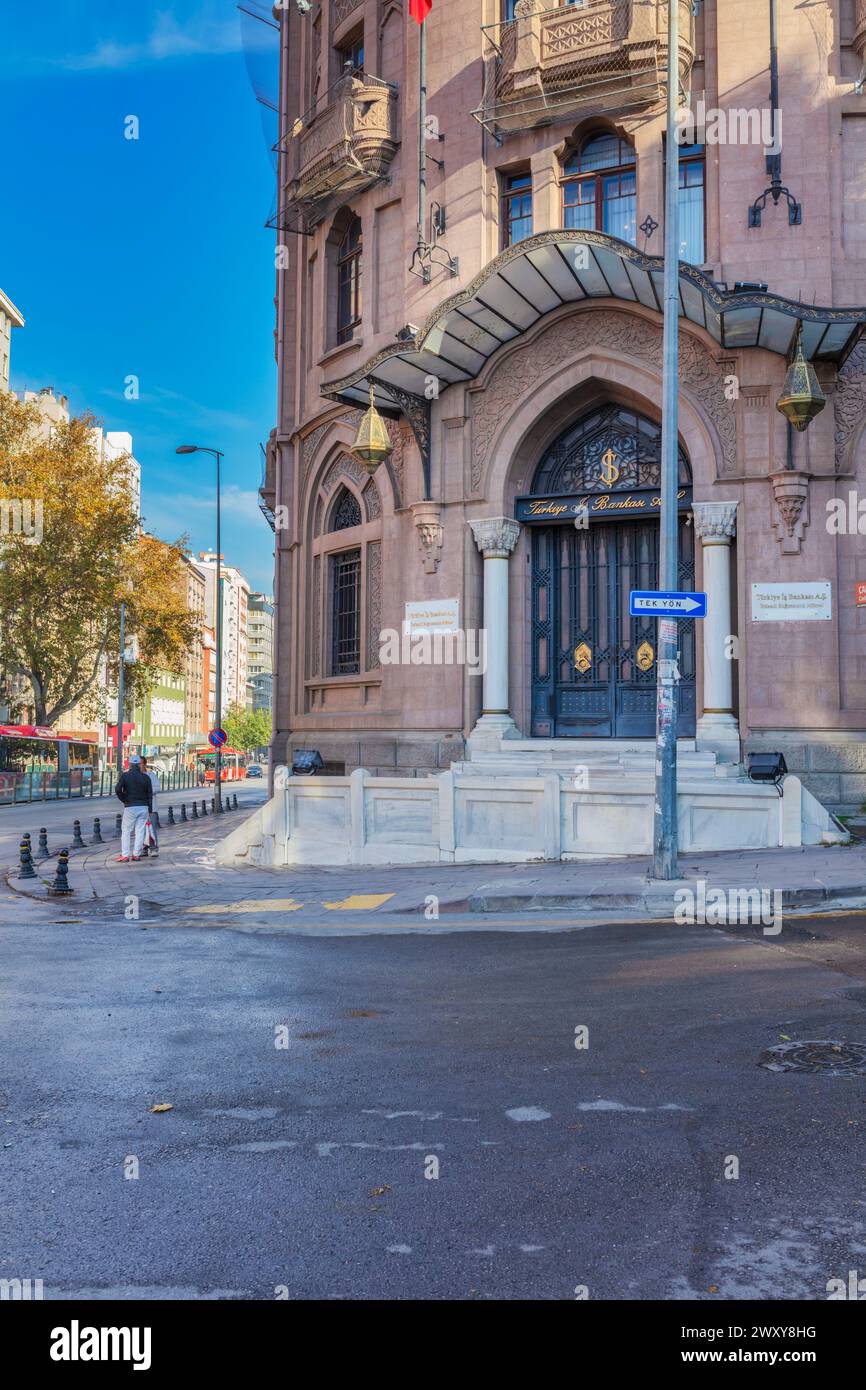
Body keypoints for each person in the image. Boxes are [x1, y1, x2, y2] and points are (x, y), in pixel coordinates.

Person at [115, 754, 153, 862]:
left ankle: (125, 855)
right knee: (140, 831)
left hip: (130, 806)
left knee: (126, 831)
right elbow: (149, 794)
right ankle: (136, 854)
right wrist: (149, 809)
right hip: (143, 806)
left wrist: (124, 799)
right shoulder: (146, 777)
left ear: (130, 764)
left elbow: (118, 789)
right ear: (138, 764)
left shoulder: (125, 776)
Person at [139, 756, 160, 857]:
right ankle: (143, 848)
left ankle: (154, 848)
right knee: (140, 829)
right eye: (137, 764)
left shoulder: (151, 775)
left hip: (151, 807)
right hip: (139, 807)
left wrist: (146, 790)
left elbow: (157, 788)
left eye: (140, 764)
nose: (139, 766)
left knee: (152, 828)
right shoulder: (135, 776)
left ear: (145, 764)